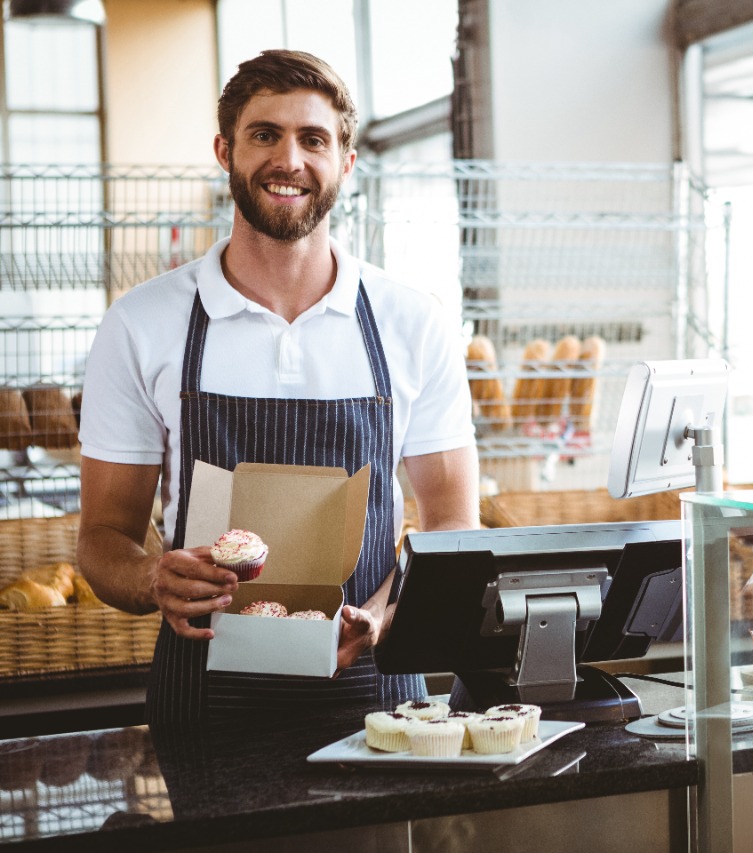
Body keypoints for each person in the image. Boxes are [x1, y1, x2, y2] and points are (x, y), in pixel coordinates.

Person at [76, 50, 479, 725]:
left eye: (313, 139)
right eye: (265, 134)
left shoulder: (412, 322)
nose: (288, 160)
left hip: (379, 703)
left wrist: (380, 617)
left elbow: (453, 526)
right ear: (225, 151)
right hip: (204, 704)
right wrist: (151, 578)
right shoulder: (142, 323)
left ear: (346, 161)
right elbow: (102, 536)